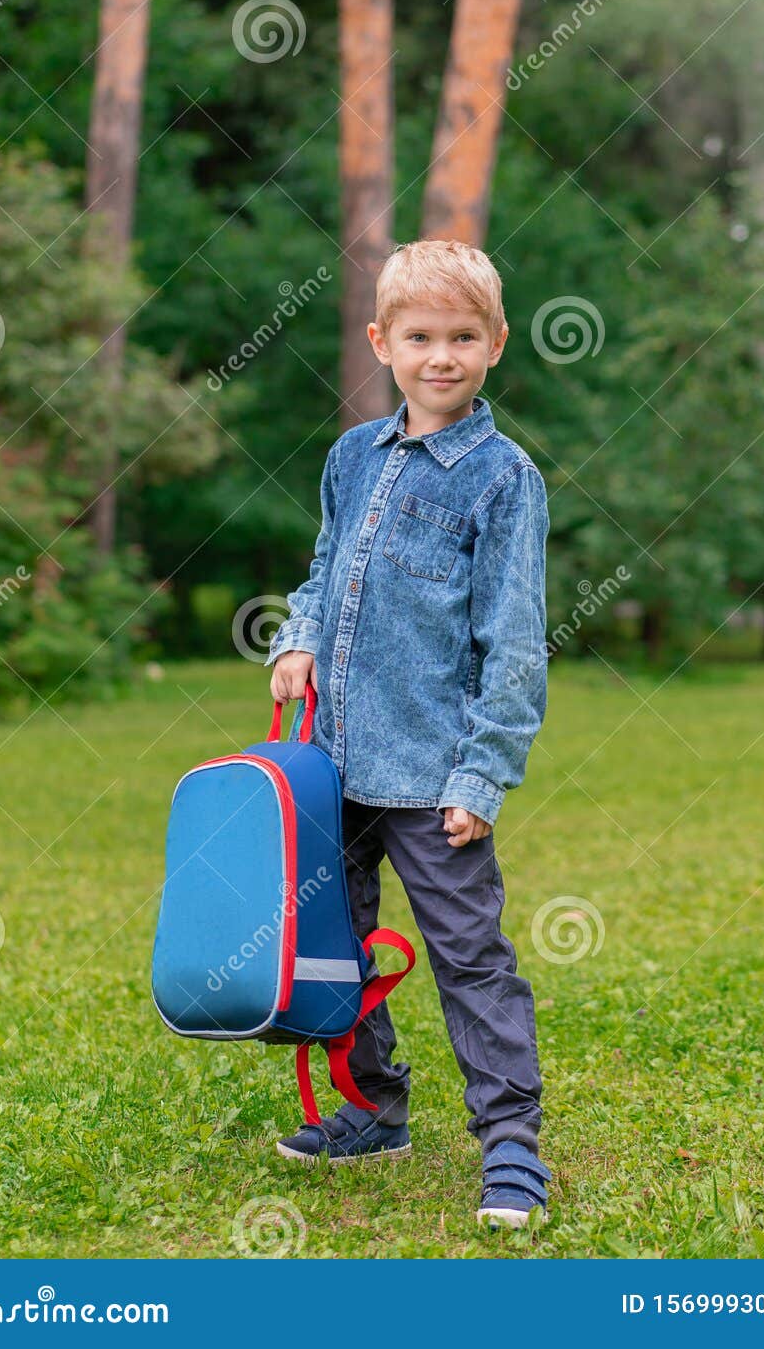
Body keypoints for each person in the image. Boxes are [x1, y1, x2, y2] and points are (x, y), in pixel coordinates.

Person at [264, 238, 552, 1229]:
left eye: (462, 336)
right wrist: (299, 638)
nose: (441, 356)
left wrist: (481, 772)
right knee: (339, 944)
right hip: (331, 767)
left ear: (496, 344)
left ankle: (509, 1142)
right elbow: (319, 569)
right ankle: (371, 1106)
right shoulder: (351, 458)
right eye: (420, 336)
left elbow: (512, 641)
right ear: (383, 341)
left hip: (433, 777)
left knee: (469, 956)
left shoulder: (502, 478)